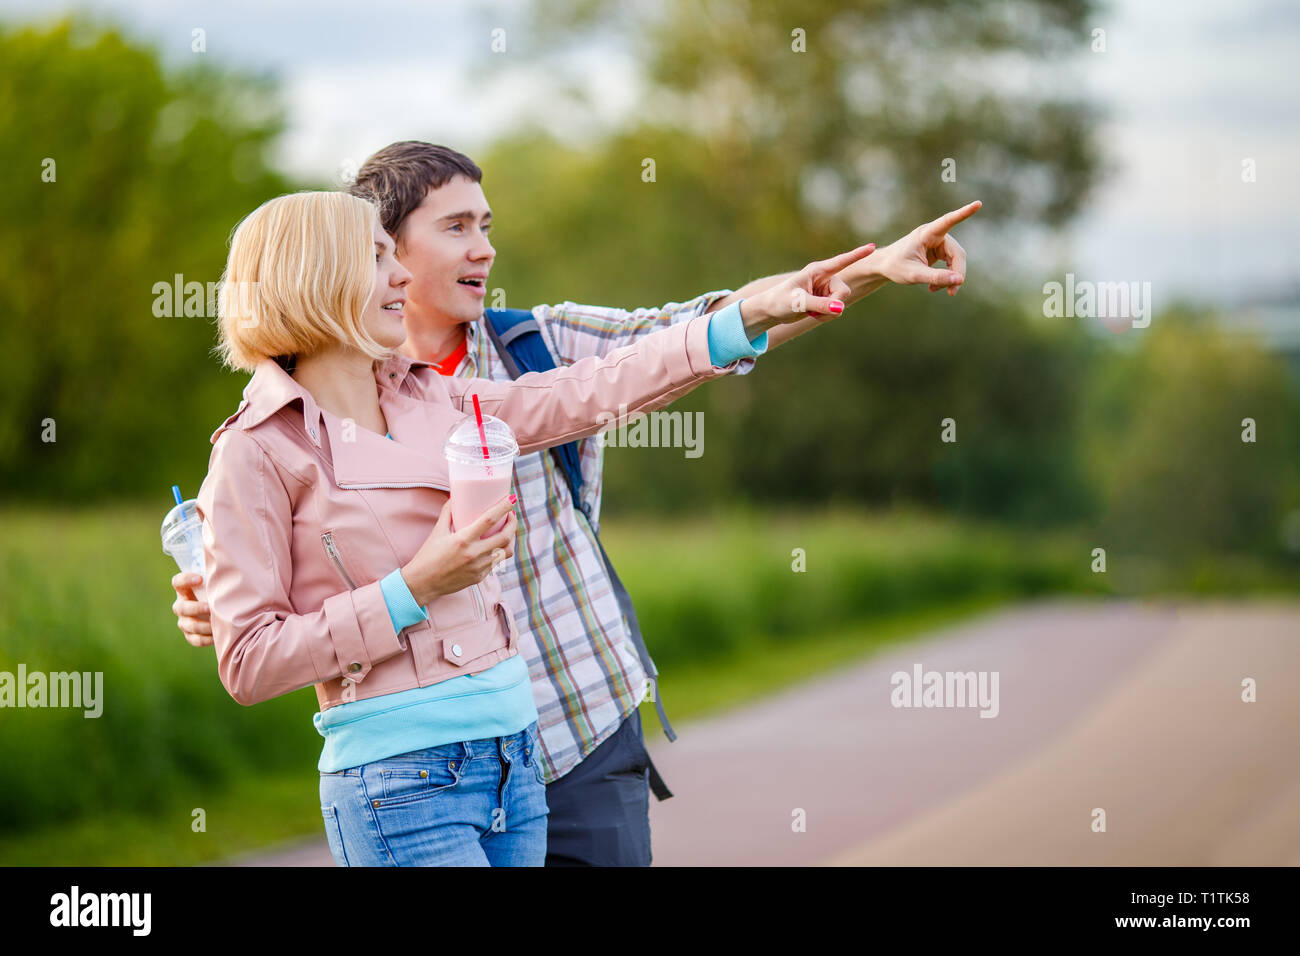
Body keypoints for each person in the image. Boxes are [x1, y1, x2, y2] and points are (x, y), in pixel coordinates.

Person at [173, 140, 981, 866]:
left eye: (485, 224)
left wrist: (844, 278)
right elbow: (258, 634)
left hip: (566, 726)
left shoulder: (506, 362)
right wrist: (254, 593)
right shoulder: (266, 442)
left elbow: (641, 359)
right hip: (412, 767)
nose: (484, 249)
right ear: (351, 265)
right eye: (453, 229)